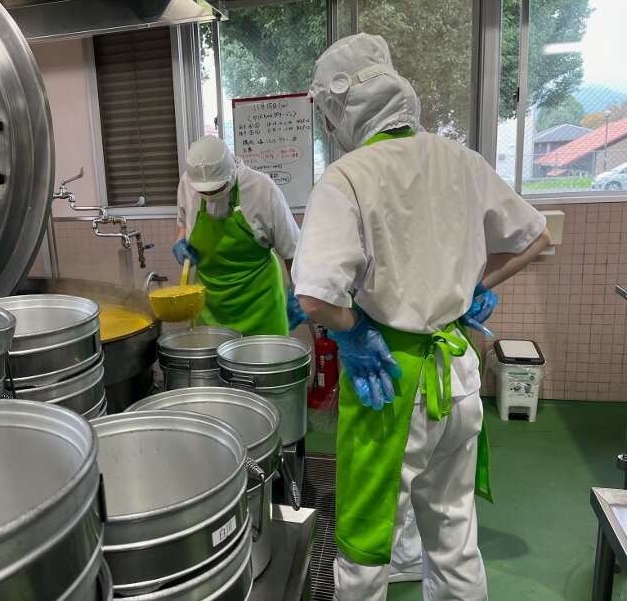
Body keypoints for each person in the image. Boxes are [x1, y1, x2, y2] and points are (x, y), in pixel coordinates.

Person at [292, 33, 550, 600]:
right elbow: (534, 236)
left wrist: (355, 331)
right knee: (454, 537)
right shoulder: (461, 160)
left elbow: (313, 297)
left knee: (365, 546)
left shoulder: (349, 176)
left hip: (390, 384)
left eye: (328, 115)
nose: (329, 127)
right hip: (458, 376)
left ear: (343, 108)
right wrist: (475, 288)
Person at [174, 135, 306, 336]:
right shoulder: (188, 182)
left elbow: (292, 250)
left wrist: (299, 294)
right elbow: (184, 222)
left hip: (260, 305)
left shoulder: (261, 188)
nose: (209, 196)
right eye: (203, 192)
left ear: (231, 173)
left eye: (217, 189)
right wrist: (180, 242)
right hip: (210, 306)